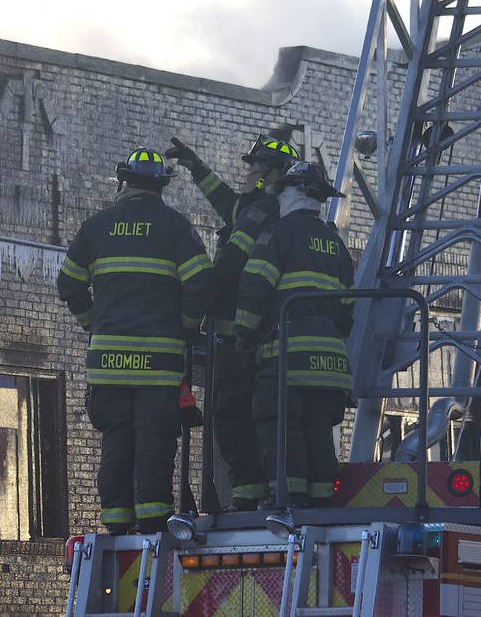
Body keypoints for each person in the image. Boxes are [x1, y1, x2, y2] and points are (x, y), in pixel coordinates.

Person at [56, 147, 214, 534]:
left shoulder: (96, 226)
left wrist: (94, 324)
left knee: (117, 440)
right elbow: (201, 282)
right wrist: (187, 326)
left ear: (123, 181)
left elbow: (68, 283)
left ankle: (115, 521)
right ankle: (152, 520)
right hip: (157, 365)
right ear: (161, 185)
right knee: (154, 441)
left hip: (108, 364)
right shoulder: (175, 227)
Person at [165, 134, 300, 510]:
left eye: (257, 167)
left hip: (241, 343)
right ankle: (254, 496)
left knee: (231, 419)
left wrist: (198, 293)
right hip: (254, 340)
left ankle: (248, 499)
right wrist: (195, 165)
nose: (250, 172)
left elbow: (230, 263)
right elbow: (227, 202)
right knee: (247, 420)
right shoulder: (263, 207)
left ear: (273, 174)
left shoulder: (263, 209)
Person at [233, 161, 354, 509]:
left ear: (295, 192)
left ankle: (287, 498)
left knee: (280, 425)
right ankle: (320, 499)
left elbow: (255, 286)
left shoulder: (278, 234)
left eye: (283, 190)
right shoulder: (336, 244)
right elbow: (347, 307)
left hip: (287, 358)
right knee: (318, 429)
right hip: (329, 362)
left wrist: (243, 332)